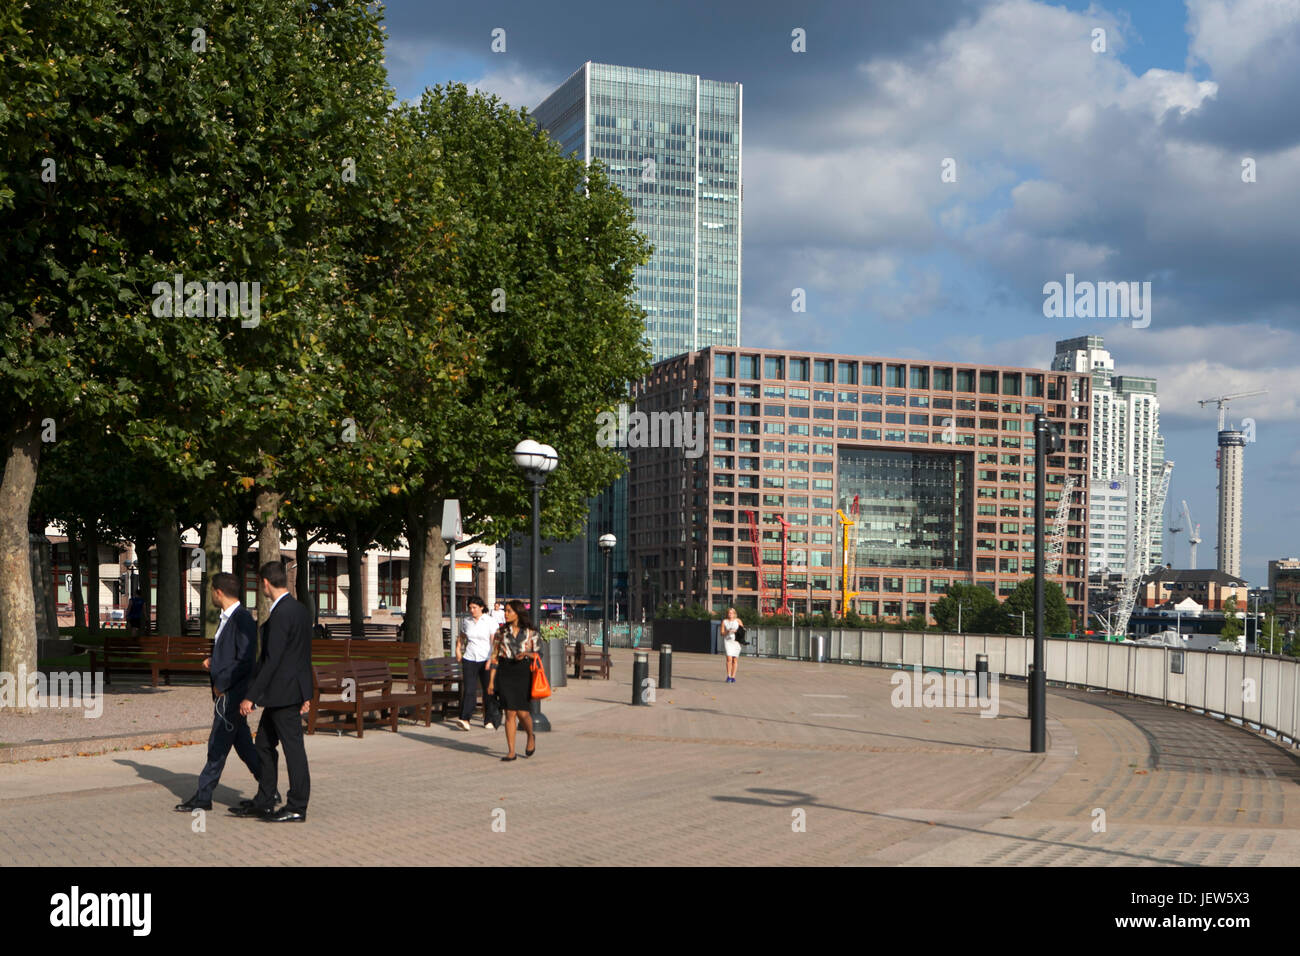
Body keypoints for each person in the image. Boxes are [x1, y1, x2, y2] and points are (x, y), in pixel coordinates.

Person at [175, 573, 266, 812]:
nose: (210, 596)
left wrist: (222, 682)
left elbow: (245, 660)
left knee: (217, 745)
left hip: (231, 694)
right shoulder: (227, 618)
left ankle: (203, 796)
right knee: (244, 746)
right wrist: (213, 661)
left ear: (218, 592)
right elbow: (231, 654)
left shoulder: (242, 618)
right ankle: (269, 789)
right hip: (227, 692)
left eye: (211, 591)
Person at [231, 560, 313, 822]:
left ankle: (297, 806)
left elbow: (271, 659)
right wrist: (307, 692)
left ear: (265, 583)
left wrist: (250, 696)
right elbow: (304, 655)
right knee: (264, 744)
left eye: (259, 583)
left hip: (282, 694)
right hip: (289, 691)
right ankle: (265, 800)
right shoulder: (300, 610)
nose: (260, 588)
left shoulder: (280, 614)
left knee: (293, 750)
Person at [487, 599, 539, 761]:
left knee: (523, 713)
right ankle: (511, 751)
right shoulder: (500, 633)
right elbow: (494, 657)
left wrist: (526, 654)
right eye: (505, 611)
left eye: (509, 611)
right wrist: (491, 682)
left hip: (523, 672)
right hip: (505, 671)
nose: (506, 614)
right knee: (510, 713)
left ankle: (530, 735)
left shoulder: (531, 632)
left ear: (518, 613)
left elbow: (538, 654)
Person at [455, 595, 501, 732]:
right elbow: (462, 636)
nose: (472, 610)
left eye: (474, 607)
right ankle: (465, 719)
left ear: (481, 607)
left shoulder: (490, 621)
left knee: (488, 691)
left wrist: (491, 659)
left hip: (486, 658)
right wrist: (458, 649)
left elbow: (495, 641)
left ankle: (489, 719)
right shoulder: (467, 621)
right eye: (470, 608)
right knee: (469, 689)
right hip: (470, 658)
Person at [721, 607, 743, 683]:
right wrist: (727, 631)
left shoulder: (738, 621)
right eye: (729, 613)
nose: (730, 614)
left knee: (735, 659)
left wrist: (736, 631)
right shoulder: (724, 621)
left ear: (734, 614)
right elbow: (722, 633)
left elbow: (742, 631)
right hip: (728, 641)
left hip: (736, 642)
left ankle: (733, 676)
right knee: (729, 658)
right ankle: (728, 676)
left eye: (731, 613)